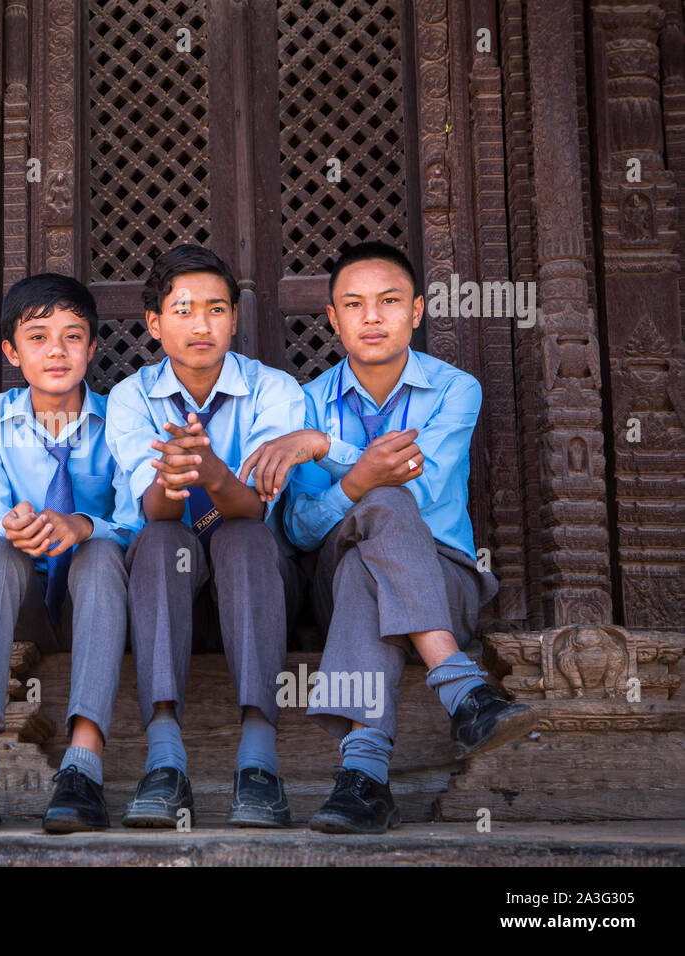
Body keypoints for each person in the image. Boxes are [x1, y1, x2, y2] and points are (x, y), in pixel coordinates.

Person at [246, 241, 537, 834]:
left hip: (444, 576)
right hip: (327, 584)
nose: (372, 317)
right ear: (333, 318)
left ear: (419, 311)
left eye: (389, 301)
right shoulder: (306, 403)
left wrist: (335, 458)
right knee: (368, 522)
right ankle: (464, 692)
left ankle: (364, 778)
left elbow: (418, 486)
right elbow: (299, 531)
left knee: (372, 544)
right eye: (354, 304)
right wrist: (358, 480)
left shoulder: (457, 390)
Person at [105, 244, 306, 828]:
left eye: (217, 309)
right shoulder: (131, 397)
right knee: (161, 543)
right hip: (169, 583)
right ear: (154, 323)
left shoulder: (274, 390)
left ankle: (259, 765)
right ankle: (165, 762)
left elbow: (251, 507)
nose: (201, 324)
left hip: (259, 585)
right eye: (184, 309)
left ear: (235, 319)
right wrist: (174, 473)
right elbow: (156, 514)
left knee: (242, 537)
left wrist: (210, 469)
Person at [0, 273, 137, 833]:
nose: (57, 350)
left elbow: (135, 523)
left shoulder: (119, 418)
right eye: (38, 337)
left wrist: (82, 524)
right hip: (26, 601)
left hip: (93, 604)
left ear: (93, 348)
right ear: (11, 352)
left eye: (74, 336)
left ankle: (83, 766)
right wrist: (15, 525)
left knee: (100, 552)